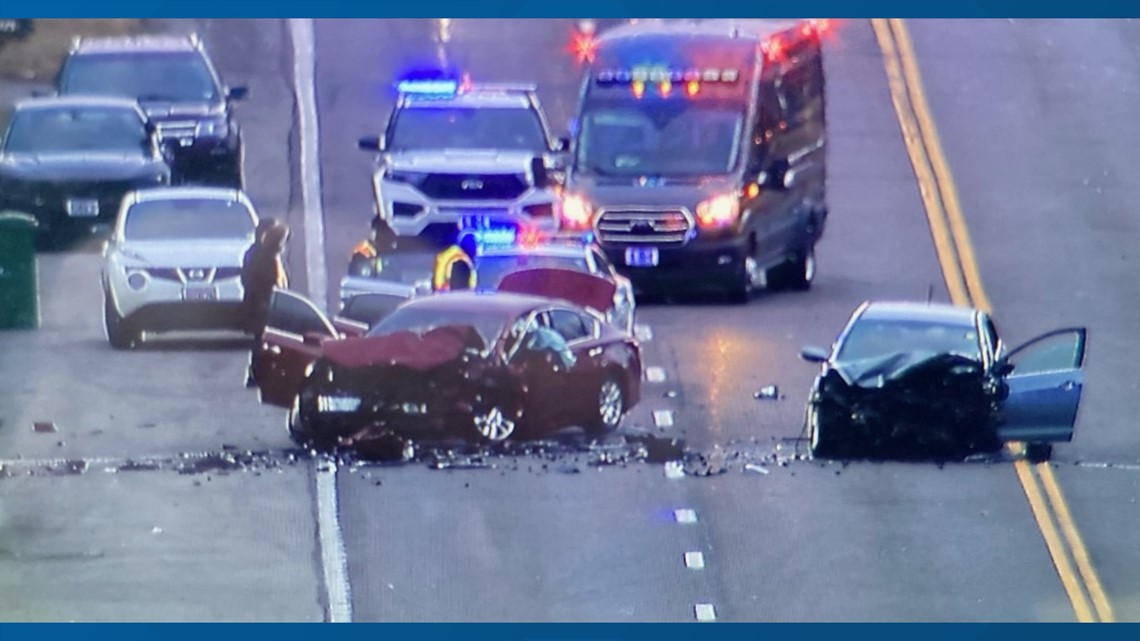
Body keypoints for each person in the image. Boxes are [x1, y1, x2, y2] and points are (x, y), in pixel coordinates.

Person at [242, 220, 291, 387]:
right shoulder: (265, 259)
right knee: (262, 341)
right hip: (263, 307)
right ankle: (258, 373)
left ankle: (263, 372)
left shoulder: (267, 257)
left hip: (264, 306)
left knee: (263, 341)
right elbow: (265, 283)